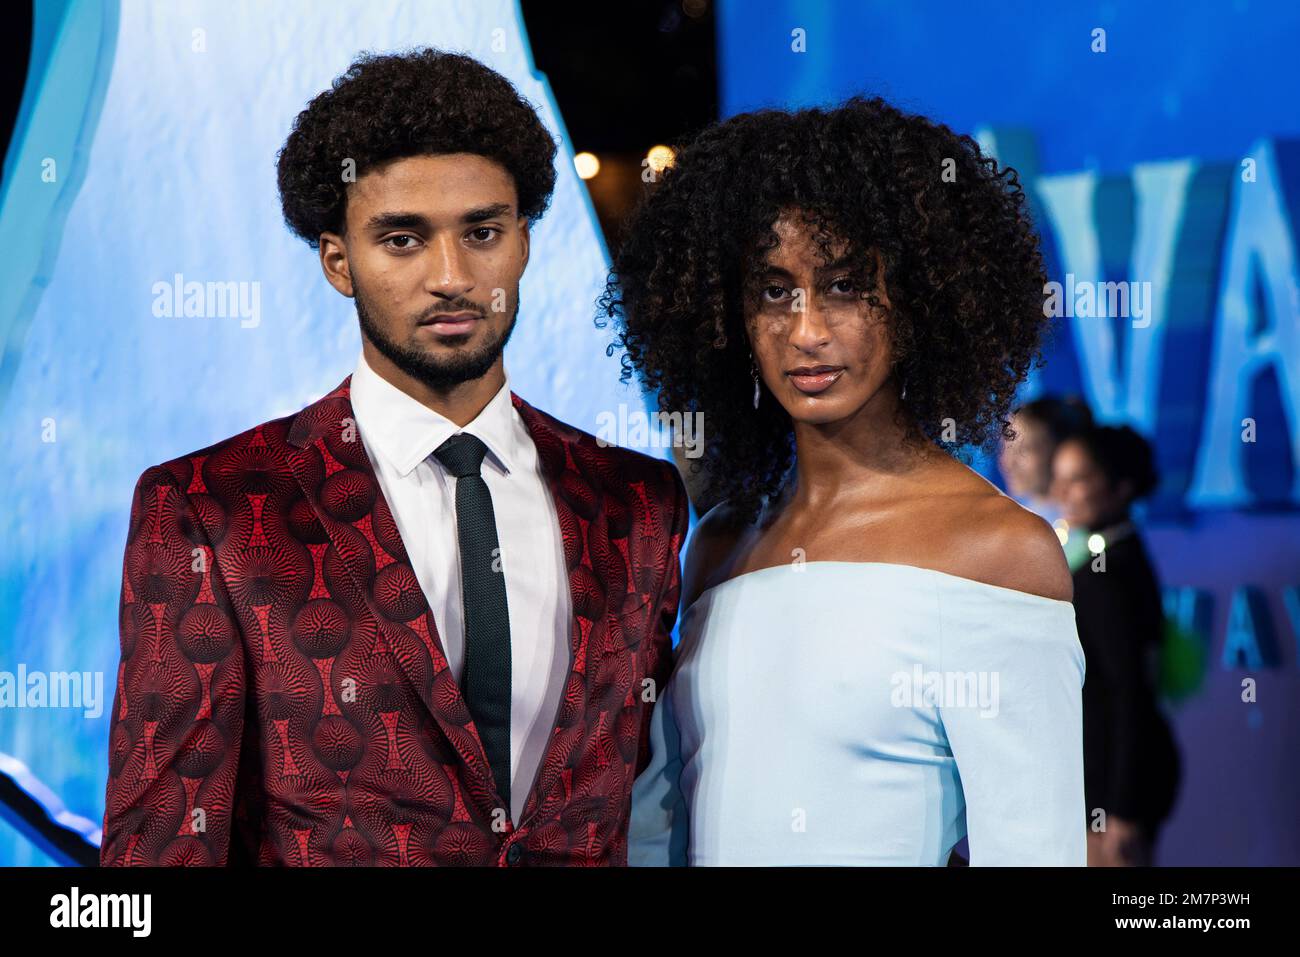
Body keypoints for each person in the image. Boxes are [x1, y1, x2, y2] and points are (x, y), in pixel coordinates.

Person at [100, 49, 689, 867]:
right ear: (339, 261)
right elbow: (159, 850)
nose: (451, 277)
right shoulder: (211, 506)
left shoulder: (636, 501)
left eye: (482, 232)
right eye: (403, 239)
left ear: (523, 240)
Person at [608, 96, 1087, 865]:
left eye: (845, 285)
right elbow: (662, 829)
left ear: (923, 298)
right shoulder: (721, 546)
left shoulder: (997, 551)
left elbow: (1035, 853)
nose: (806, 329)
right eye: (772, 289)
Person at [1051, 425, 1180, 866]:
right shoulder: (1113, 558)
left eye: (1080, 478)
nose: (1063, 492)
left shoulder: (1108, 575)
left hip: (1111, 787)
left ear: (1121, 486)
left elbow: (1131, 695)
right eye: (1059, 476)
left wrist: (1121, 809)